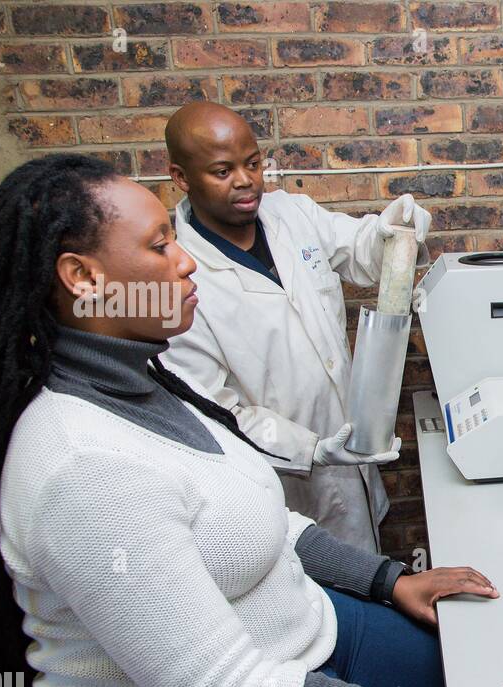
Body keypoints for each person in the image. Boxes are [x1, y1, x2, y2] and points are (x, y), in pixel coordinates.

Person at [0, 153, 503, 687]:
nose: (186, 262)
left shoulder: (145, 384)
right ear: (84, 278)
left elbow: (268, 521)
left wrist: (389, 581)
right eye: (160, 245)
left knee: (500, 677)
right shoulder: (83, 466)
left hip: (303, 636)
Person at [161, 101, 429, 554]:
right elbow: (219, 414)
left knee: (367, 572)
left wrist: (391, 229)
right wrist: (313, 450)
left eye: (252, 163)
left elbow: (360, 251)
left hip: (356, 474)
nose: (246, 180)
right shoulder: (180, 285)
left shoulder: (292, 215)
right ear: (181, 178)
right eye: (222, 171)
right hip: (283, 497)